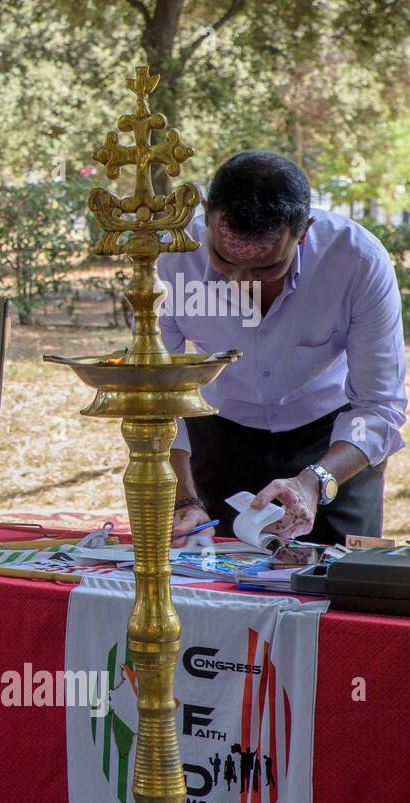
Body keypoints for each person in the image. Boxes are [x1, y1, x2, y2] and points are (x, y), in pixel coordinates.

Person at [161, 151, 406, 546]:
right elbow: (156, 394)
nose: (242, 282)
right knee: (209, 587)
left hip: (333, 442)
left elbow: (378, 405)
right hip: (215, 436)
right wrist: (184, 496)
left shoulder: (357, 262)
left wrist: (317, 480)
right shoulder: (170, 257)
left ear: (304, 231)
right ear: (206, 217)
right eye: (222, 260)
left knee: (334, 590)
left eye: (265, 269)